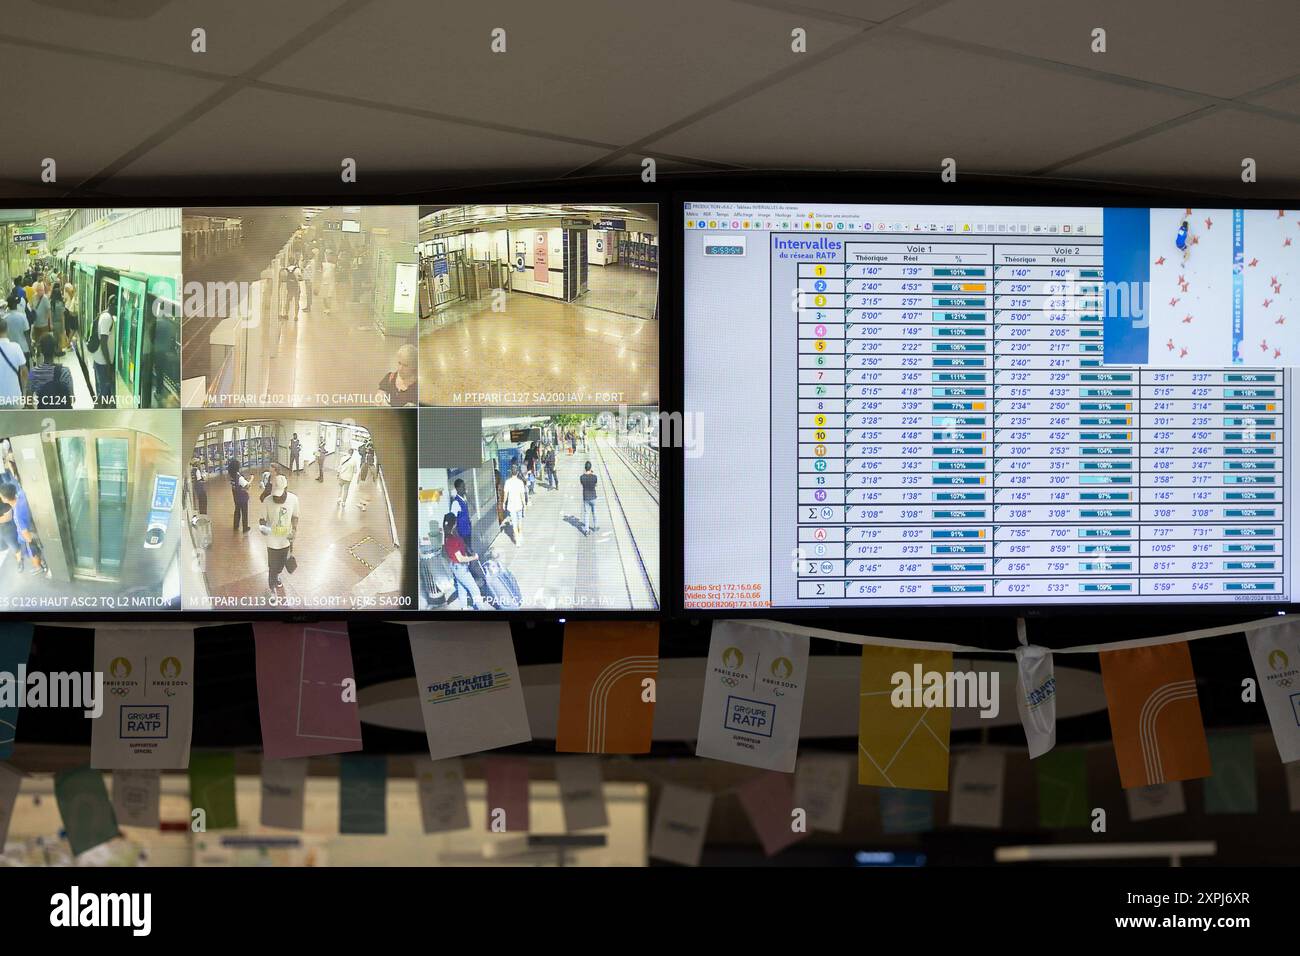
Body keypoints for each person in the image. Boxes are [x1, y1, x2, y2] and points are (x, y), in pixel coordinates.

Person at [260, 473, 299, 595]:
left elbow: (295, 517)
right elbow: (262, 520)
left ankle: (276, 576)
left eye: (279, 494)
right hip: (272, 541)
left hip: (286, 540)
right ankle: (271, 586)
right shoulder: (267, 501)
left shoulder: (293, 499)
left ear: (285, 489)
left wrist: (294, 530)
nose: (276, 498)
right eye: (275, 494)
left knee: (281, 564)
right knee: (272, 565)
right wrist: (264, 529)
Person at [0, 482, 49, 577]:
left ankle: (38, 567)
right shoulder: (22, 495)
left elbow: (24, 532)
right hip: (32, 528)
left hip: (27, 537)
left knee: (32, 552)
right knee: (34, 551)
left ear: (5, 499)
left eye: (1, 496)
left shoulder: (17, 515)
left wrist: (30, 543)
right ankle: (41, 562)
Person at [442, 512, 483, 609]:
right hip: (460, 568)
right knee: (475, 589)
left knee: (462, 588)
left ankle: (464, 608)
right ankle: (481, 609)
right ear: (454, 523)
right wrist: (474, 557)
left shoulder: (449, 535)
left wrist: (468, 551)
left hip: (456, 567)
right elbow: (460, 558)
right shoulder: (452, 539)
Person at [27, 334, 73, 409]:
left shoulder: (33, 373)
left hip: (44, 417)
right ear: (55, 348)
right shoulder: (65, 371)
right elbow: (71, 399)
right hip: (63, 415)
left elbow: (28, 401)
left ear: (41, 350)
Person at [91, 293, 116, 408]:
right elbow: (103, 342)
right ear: (112, 306)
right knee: (103, 393)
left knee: (102, 391)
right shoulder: (107, 318)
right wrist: (108, 364)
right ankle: (98, 413)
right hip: (102, 362)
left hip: (99, 360)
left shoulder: (105, 315)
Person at [0, 319, 27, 408]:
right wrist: (24, 391)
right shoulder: (16, 347)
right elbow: (24, 372)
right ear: (8, 329)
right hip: (14, 396)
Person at [502, 464, 527, 545]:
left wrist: (503, 502)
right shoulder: (520, 482)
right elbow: (522, 495)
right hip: (519, 505)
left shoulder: (507, 482)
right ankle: (520, 534)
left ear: (511, 473)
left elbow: (505, 494)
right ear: (517, 473)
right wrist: (524, 504)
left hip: (511, 505)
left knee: (514, 522)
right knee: (520, 520)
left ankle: (517, 541)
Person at [450, 477, 474, 553]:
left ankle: (470, 563)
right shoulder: (456, 503)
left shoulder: (464, 499)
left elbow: (473, 506)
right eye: (462, 487)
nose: (464, 488)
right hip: (461, 533)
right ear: (457, 489)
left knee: (469, 550)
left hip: (467, 530)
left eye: (464, 486)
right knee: (465, 552)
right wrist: (458, 536)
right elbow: (453, 520)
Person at [227, 458, 251, 533]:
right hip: (242, 497)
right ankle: (245, 528)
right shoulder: (239, 477)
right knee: (244, 512)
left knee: (237, 510)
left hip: (236, 497)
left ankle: (236, 525)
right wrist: (251, 479)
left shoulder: (231, 476)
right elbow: (247, 486)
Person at [4, 292, 30, 360]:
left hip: (10, 351)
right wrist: (31, 349)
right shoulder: (23, 317)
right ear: (16, 304)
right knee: (25, 370)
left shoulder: (4, 319)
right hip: (23, 349)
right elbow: (27, 335)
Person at [336, 444, 360, 509]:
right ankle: (343, 502)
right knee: (346, 490)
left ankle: (339, 499)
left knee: (340, 488)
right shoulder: (354, 461)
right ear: (352, 453)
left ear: (348, 452)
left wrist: (338, 473)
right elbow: (355, 471)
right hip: (348, 478)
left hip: (342, 476)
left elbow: (339, 467)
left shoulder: (343, 458)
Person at [580, 460, 599, 534]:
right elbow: (596, 485)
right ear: (590, 468)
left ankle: (586, 530)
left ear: (585, 468)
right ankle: (595, 527)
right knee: (594, 512)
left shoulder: (582, 477)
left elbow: (582, 483)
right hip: (593, 497)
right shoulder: (594, 477)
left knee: (586, 514)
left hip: (586, 497)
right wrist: (591, 473)